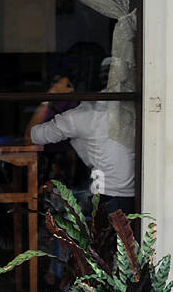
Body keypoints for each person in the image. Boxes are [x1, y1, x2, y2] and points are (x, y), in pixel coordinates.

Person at [26, 57, 135, 218]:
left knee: (56, 201)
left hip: (108, 197)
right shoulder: (134, 106)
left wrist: (50, 96)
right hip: (141, 194)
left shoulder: (83, 115)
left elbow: (31, 136)